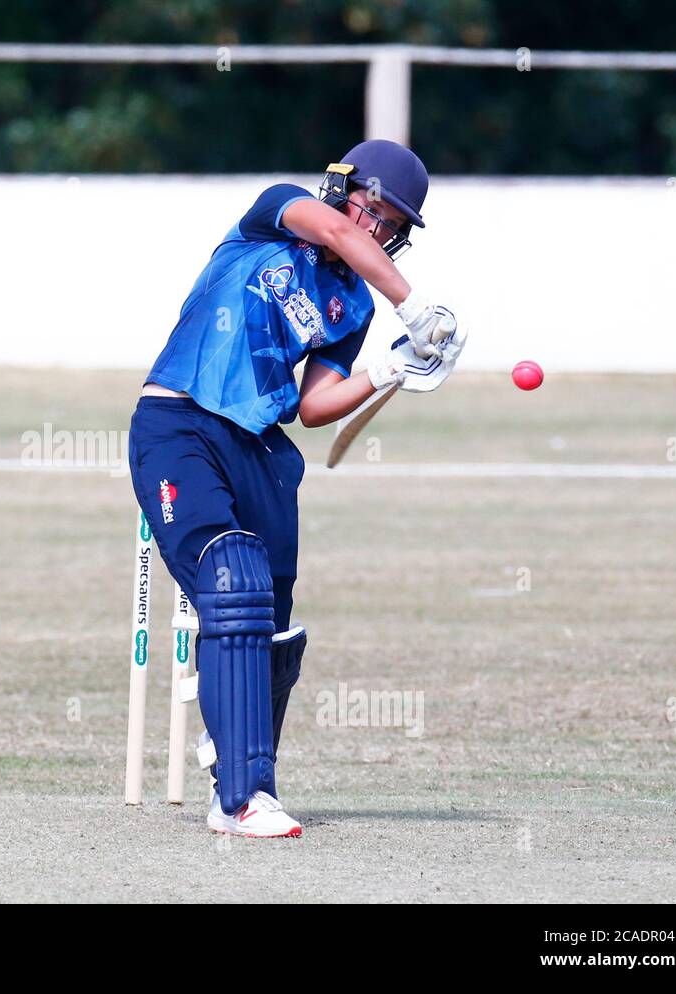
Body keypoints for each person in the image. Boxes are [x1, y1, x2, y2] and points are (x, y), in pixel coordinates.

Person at [128, 140, 467, 836]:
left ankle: (235, 749)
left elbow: (315, 407)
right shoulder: (277, 212)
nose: (376, 232)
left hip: (262, 448)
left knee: (273, 621)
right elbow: (338, 231)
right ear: (343, 189)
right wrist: (416, 306)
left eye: (393, 225)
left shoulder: (353, 304)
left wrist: (392, 370)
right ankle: (245, 797)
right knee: (231, 578)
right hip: (180, 422)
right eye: (374, 210)